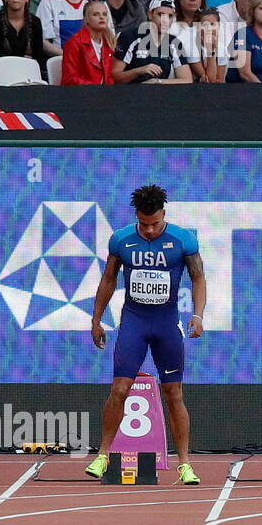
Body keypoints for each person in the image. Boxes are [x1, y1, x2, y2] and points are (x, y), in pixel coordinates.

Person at [82, 185, 206, 486]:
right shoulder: (122, 239)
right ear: (136, 217)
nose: (149, 230)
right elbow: (108, 279)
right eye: (144, 224)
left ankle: (185, 463)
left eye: (154, 223)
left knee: (173, 393)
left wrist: (198, 315)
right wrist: (96, 319)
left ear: (164, 214)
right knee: (120, 389)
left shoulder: (182, 239)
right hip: (134, 322)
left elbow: (199, 277)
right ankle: (102, 455)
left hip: (166, 324)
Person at [111, 0, 194, 85]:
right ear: (150, 14)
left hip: (161, 96)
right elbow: (114, 77)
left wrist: (158, 82)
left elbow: (187, 79)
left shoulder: (174, 42)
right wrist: (139, 71)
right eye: (160, 14)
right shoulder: (129, 37)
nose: (165, 20)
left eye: (170, 16)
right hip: (129, 95)